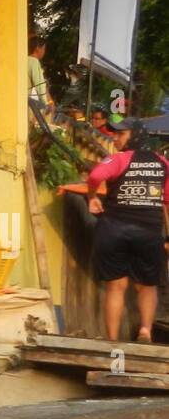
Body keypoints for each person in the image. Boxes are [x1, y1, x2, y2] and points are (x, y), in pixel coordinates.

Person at [86, 120, 169, 341]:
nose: (115, 138)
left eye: (121, 134)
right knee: (147, 286)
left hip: (114, 229)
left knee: (116, 286)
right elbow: (167, 201)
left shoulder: (119, 158)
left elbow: (94, 177)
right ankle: (145, 330)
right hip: (149, 232)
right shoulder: (163, 163)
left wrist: (92, 196)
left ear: (134, 136)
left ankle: (112, 340)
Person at [27, 35, 53, 113]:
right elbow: (39, 85)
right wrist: (46, 103)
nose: (44, 52)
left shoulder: (25, 59)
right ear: (38, 48)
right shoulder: (34, 62)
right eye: (44, 49)